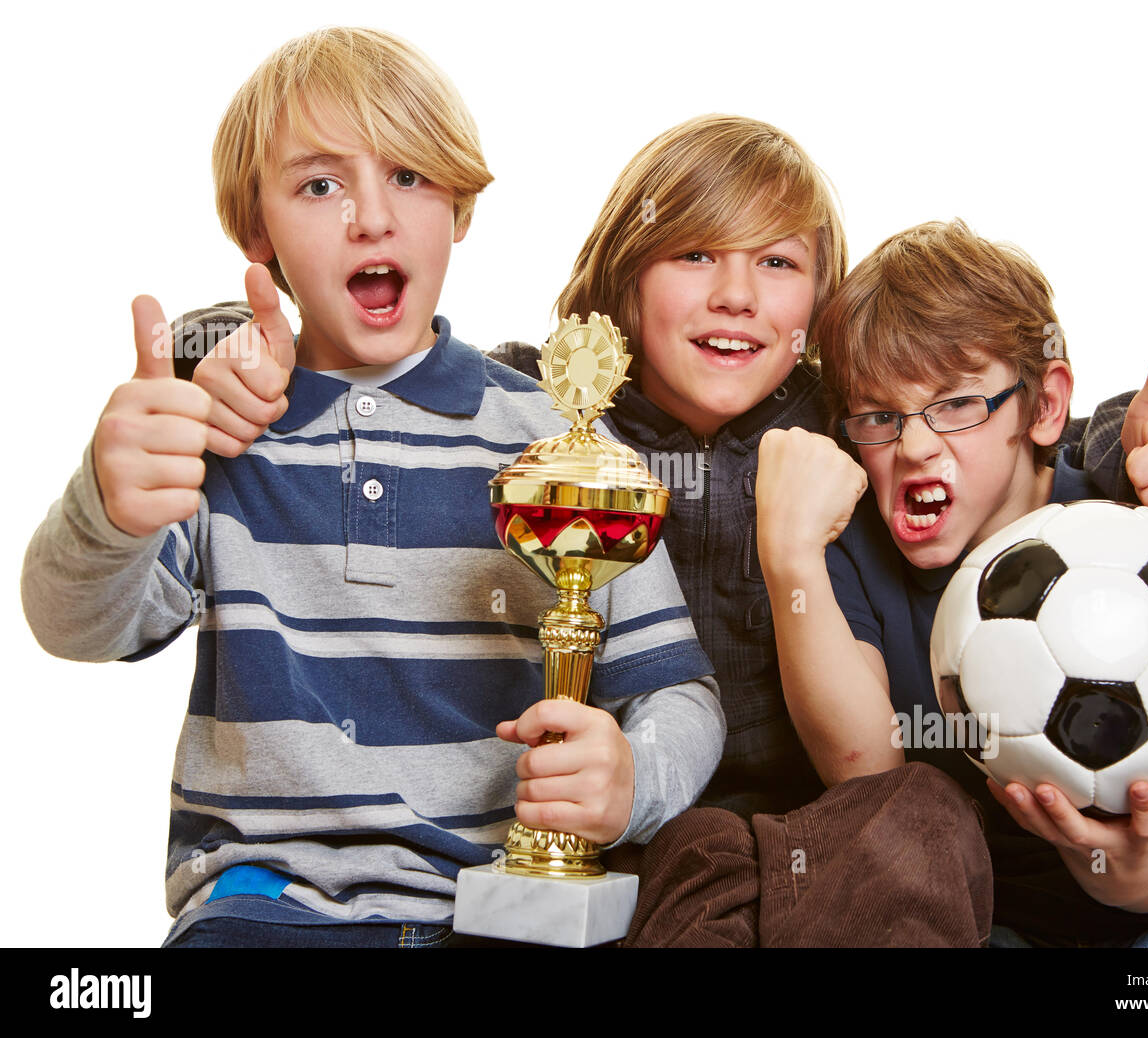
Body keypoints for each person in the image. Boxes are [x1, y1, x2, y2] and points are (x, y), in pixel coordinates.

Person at [189, 115, 1148, 945]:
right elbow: (412, 372)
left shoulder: (846, 422)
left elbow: (990, 428)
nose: (736, 295)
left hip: (839, 846)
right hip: (658, 846)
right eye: (694, 254)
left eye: (778, 265)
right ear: (623, 279)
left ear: (817, 316)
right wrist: (226, 350)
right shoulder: (549, 416)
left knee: (911, 823)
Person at [20, 27, 724, 949]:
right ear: (256, 228)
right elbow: (73, 625)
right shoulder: (214, 425)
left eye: (410, 177)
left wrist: (633, 780)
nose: (371, 219)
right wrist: (107, 510)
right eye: (320, 184)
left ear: (461, 207)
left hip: (501, 910)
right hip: (259, 907)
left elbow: (681, 694)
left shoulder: (555, 439)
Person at [756, 219, 1148, 947]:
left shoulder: (1137, 535)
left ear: (1046, 404)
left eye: (957, 405)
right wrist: (790, 561)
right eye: (878, 416)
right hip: (972, 914)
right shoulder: (846, 550)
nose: (914, 445)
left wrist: (1122, 868)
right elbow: (868, 784)